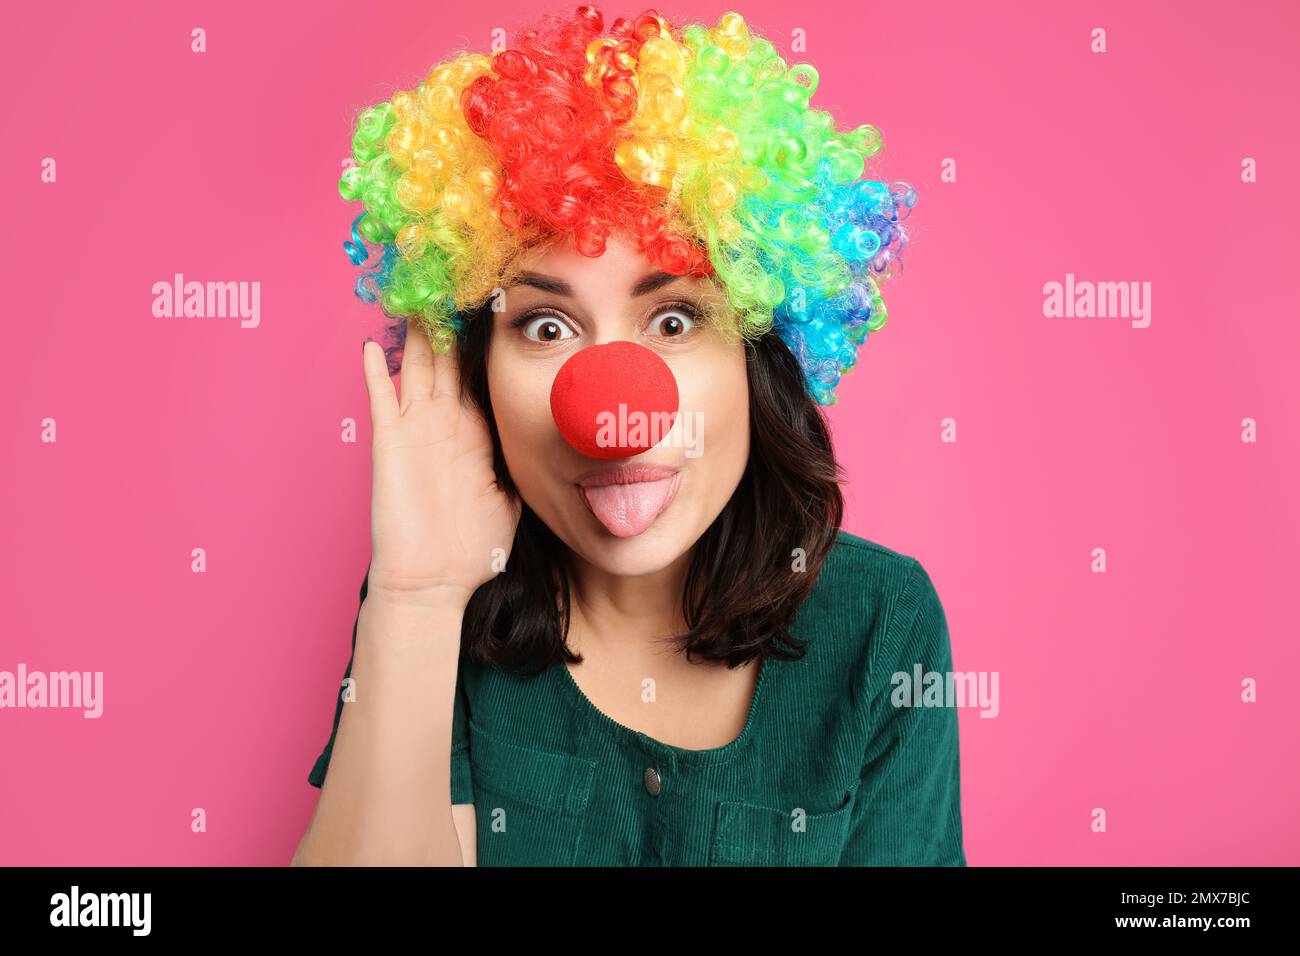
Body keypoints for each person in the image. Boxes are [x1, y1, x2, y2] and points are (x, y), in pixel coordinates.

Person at [291, 5, 965, 867]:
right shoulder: (436, 601)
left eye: (676, 320)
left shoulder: (882, 622)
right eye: (545, 328)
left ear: (758, 353)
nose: (611, 410)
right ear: (477, 379)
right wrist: (416, 600)